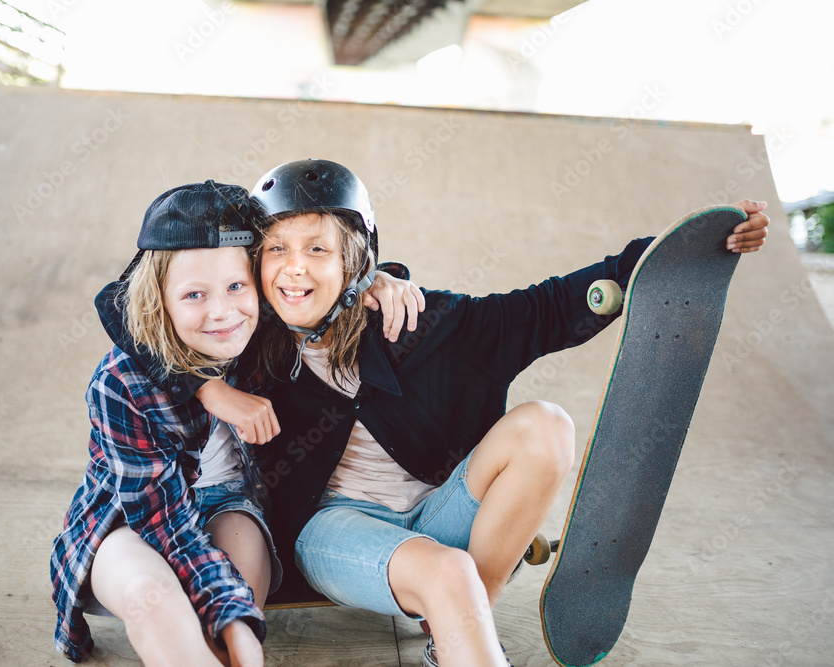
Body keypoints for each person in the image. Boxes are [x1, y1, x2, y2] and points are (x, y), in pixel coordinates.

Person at [208, 158, 768, 667]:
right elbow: (139, 310)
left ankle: (451, 631)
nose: (293, 270)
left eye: (317, 250)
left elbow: (544, 310)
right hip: (335, 531)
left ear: (355, 259)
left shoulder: (423, 324)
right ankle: (459, 613)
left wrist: (676, 249)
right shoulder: (248, 342)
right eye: (277, 250)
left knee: (546, 425)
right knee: (448, 573)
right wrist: (212, 392)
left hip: (441, 514)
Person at [49, 179, 422, 666]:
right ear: (155, 299)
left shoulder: (268, 332)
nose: (222, 312)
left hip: (230, 502)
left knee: (236, 609)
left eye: (235, 286)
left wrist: (376, 278)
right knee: (152, 596)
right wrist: (206, 387)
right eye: (193, 295)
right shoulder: (121, 383)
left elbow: (321, 287)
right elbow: (166, 526)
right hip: (128, 518)